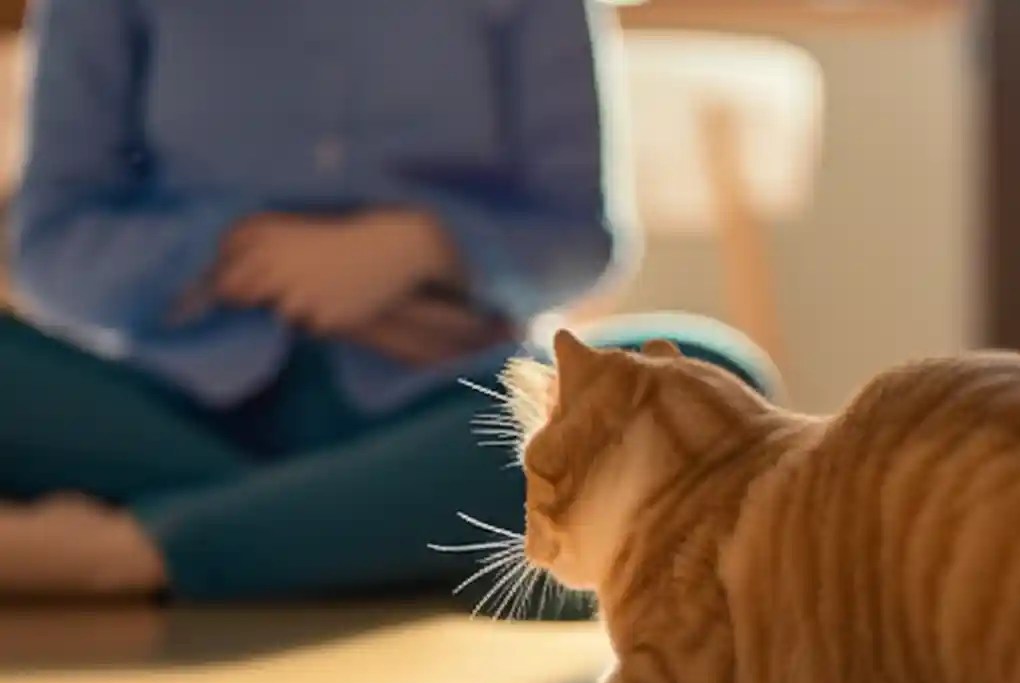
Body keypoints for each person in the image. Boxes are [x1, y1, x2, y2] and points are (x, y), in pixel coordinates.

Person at [0, 0, 774, 602]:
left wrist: (422, 247)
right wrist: (240, 254)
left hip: (445, 399)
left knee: (713, 377)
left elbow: (580, 239)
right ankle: (365, 532)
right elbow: (49, 251)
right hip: (174, 410)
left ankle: (130, 552)